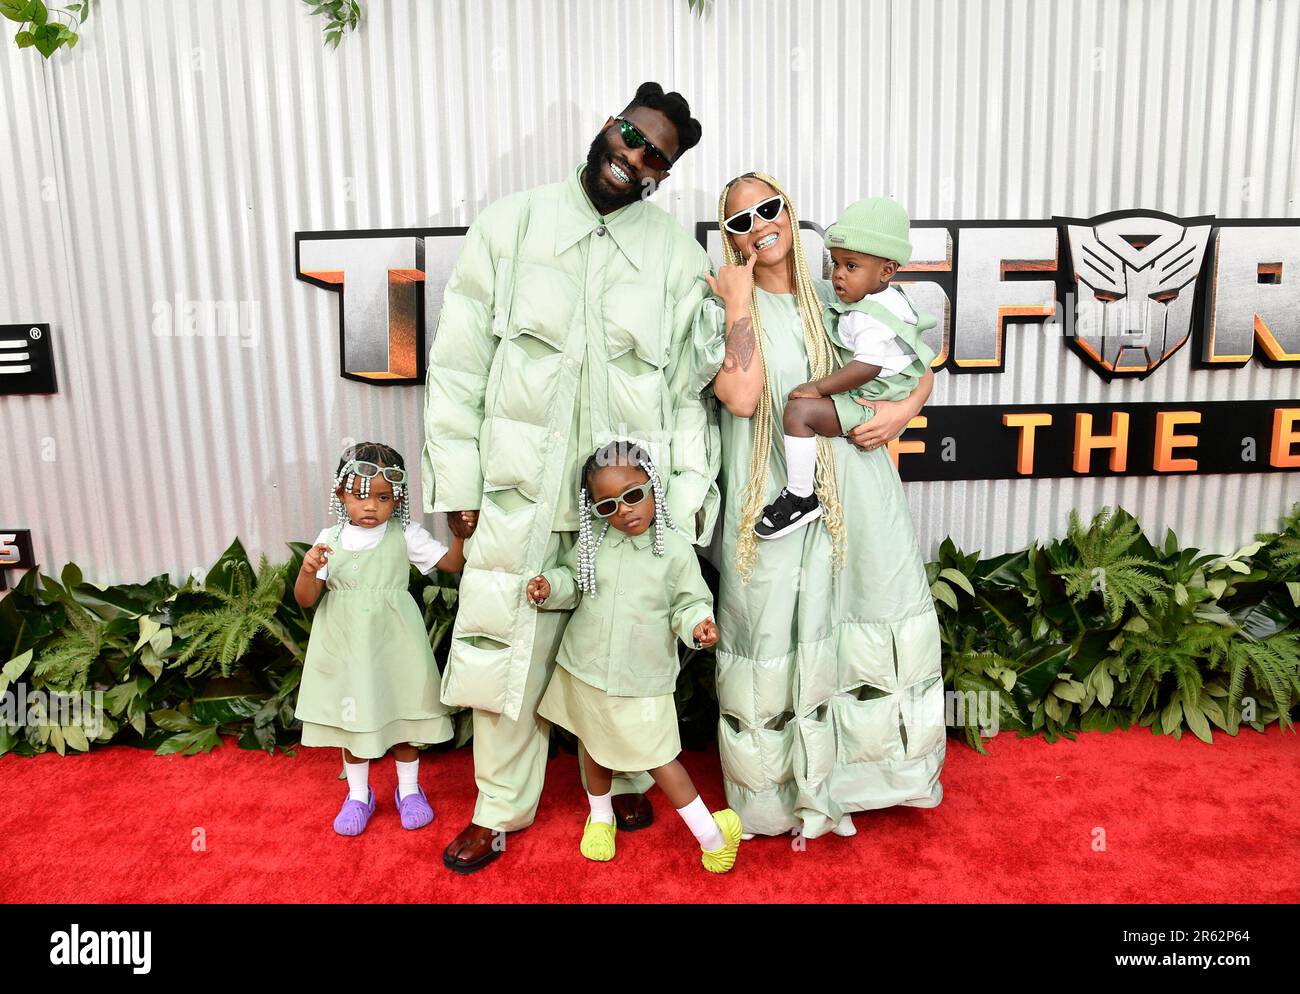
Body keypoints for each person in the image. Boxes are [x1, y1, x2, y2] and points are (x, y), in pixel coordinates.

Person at [422, 82, 719, 873]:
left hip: (627, 511)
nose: (634, 157)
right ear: (607, 126)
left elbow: (688, 398)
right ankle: (497, 809)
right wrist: (456, 484)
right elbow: (456, 370)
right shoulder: (510, 225)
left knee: (623, 647)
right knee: (507, 650)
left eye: (656, 154)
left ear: (666, 172)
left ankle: (625, 773)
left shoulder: (678, 258)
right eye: (630, 135)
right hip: (521, 490)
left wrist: (681, 509)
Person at [693, 172, 945, 840]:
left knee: (856, 613)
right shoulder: (721, 304)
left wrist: (903, 412)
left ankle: (863, 780)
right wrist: (740, 304)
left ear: (789, 213)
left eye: (769, 209)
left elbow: (912, 359)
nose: (759, 225)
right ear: (728, 234)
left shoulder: (835, 292)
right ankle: (774, 798)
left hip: (855, 491)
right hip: (769, 497)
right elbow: (744, 400)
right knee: (769, 628)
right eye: (740, 219)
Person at [527, 441, 741, 872]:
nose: (623, 511)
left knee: (659, 758)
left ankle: (712, 835)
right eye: (607, 505)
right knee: (593, 743)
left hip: (640, 676)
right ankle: (601, 816)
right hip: (585, 667)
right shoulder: (596, 543)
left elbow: (688, 604)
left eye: (632, 495)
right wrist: (551, 586)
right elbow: (574, 580)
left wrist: (698, 625)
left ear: (653, 488)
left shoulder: (675, 552)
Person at [293, 442, 467, 837]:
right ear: (340, 494)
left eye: (382, 497)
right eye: (359, 495)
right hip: (347, 648)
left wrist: (460, 536)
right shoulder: (328, 538)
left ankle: (409, 791)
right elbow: (305, 600)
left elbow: (452, 565)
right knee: (356, 724)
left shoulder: (404, 533)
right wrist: (307, 570)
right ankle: (358, 795)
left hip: (395, 646)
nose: (370, 506)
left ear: (398, 498)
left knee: (401, 717)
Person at [754, 196, 937, 540]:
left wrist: (818, 388)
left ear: (886, 270)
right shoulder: (882, 299)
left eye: (851, 266)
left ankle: (800, 495)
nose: (838, 274)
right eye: (836, 263)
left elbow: (872, 367)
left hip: (868, 414)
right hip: (870, 409)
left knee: (799, 412)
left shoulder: (865, 314)